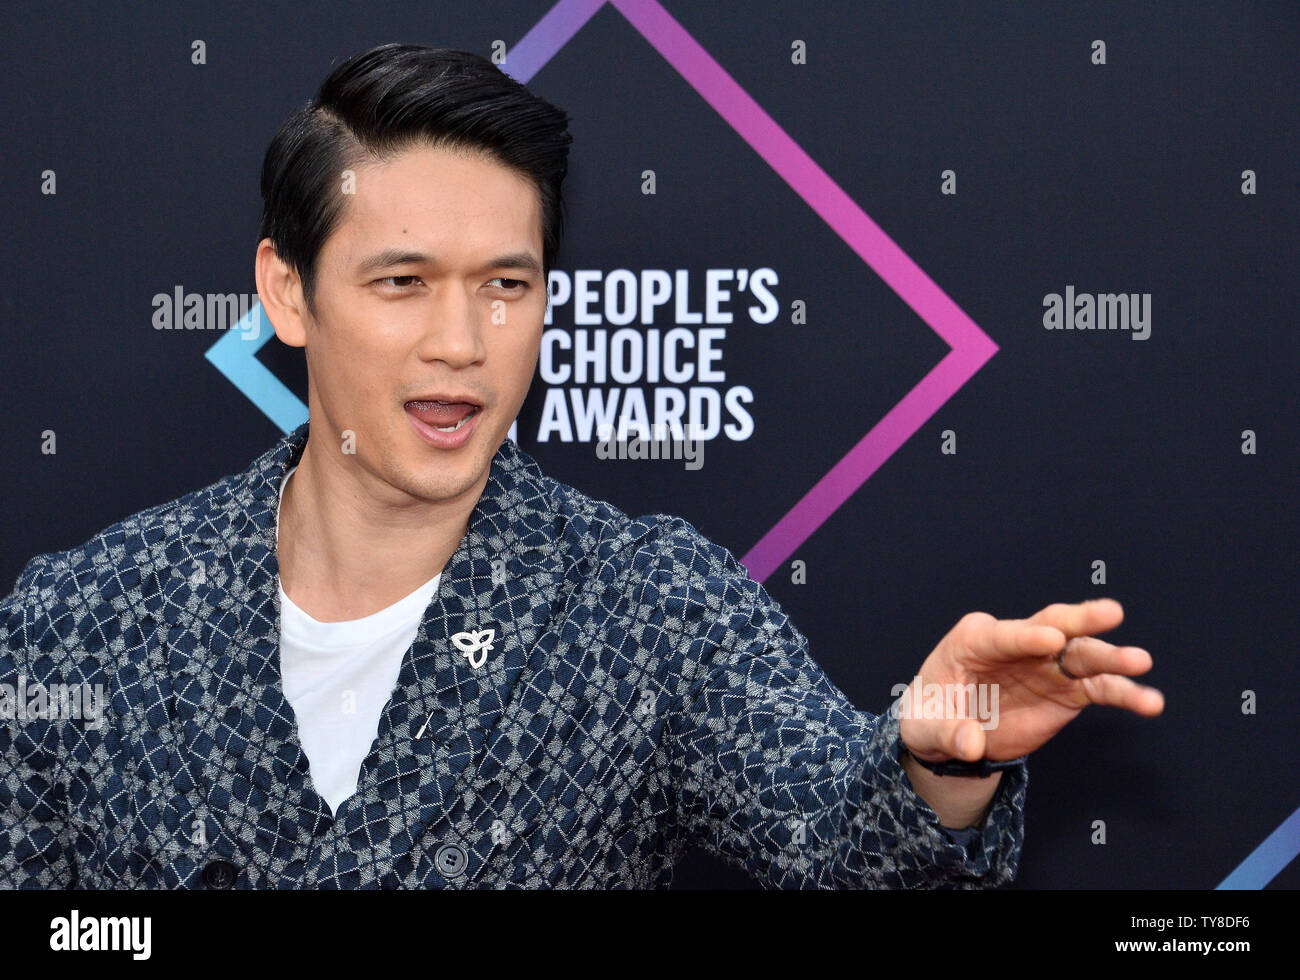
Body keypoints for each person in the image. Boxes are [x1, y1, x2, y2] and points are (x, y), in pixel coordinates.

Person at [0, 43, 1163, 889]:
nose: (462, 342)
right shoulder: (81, 620)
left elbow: (833, 830)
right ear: (286, 291)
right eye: (402, 282)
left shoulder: (642, 603)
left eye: (506, 285)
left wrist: (931, 761)